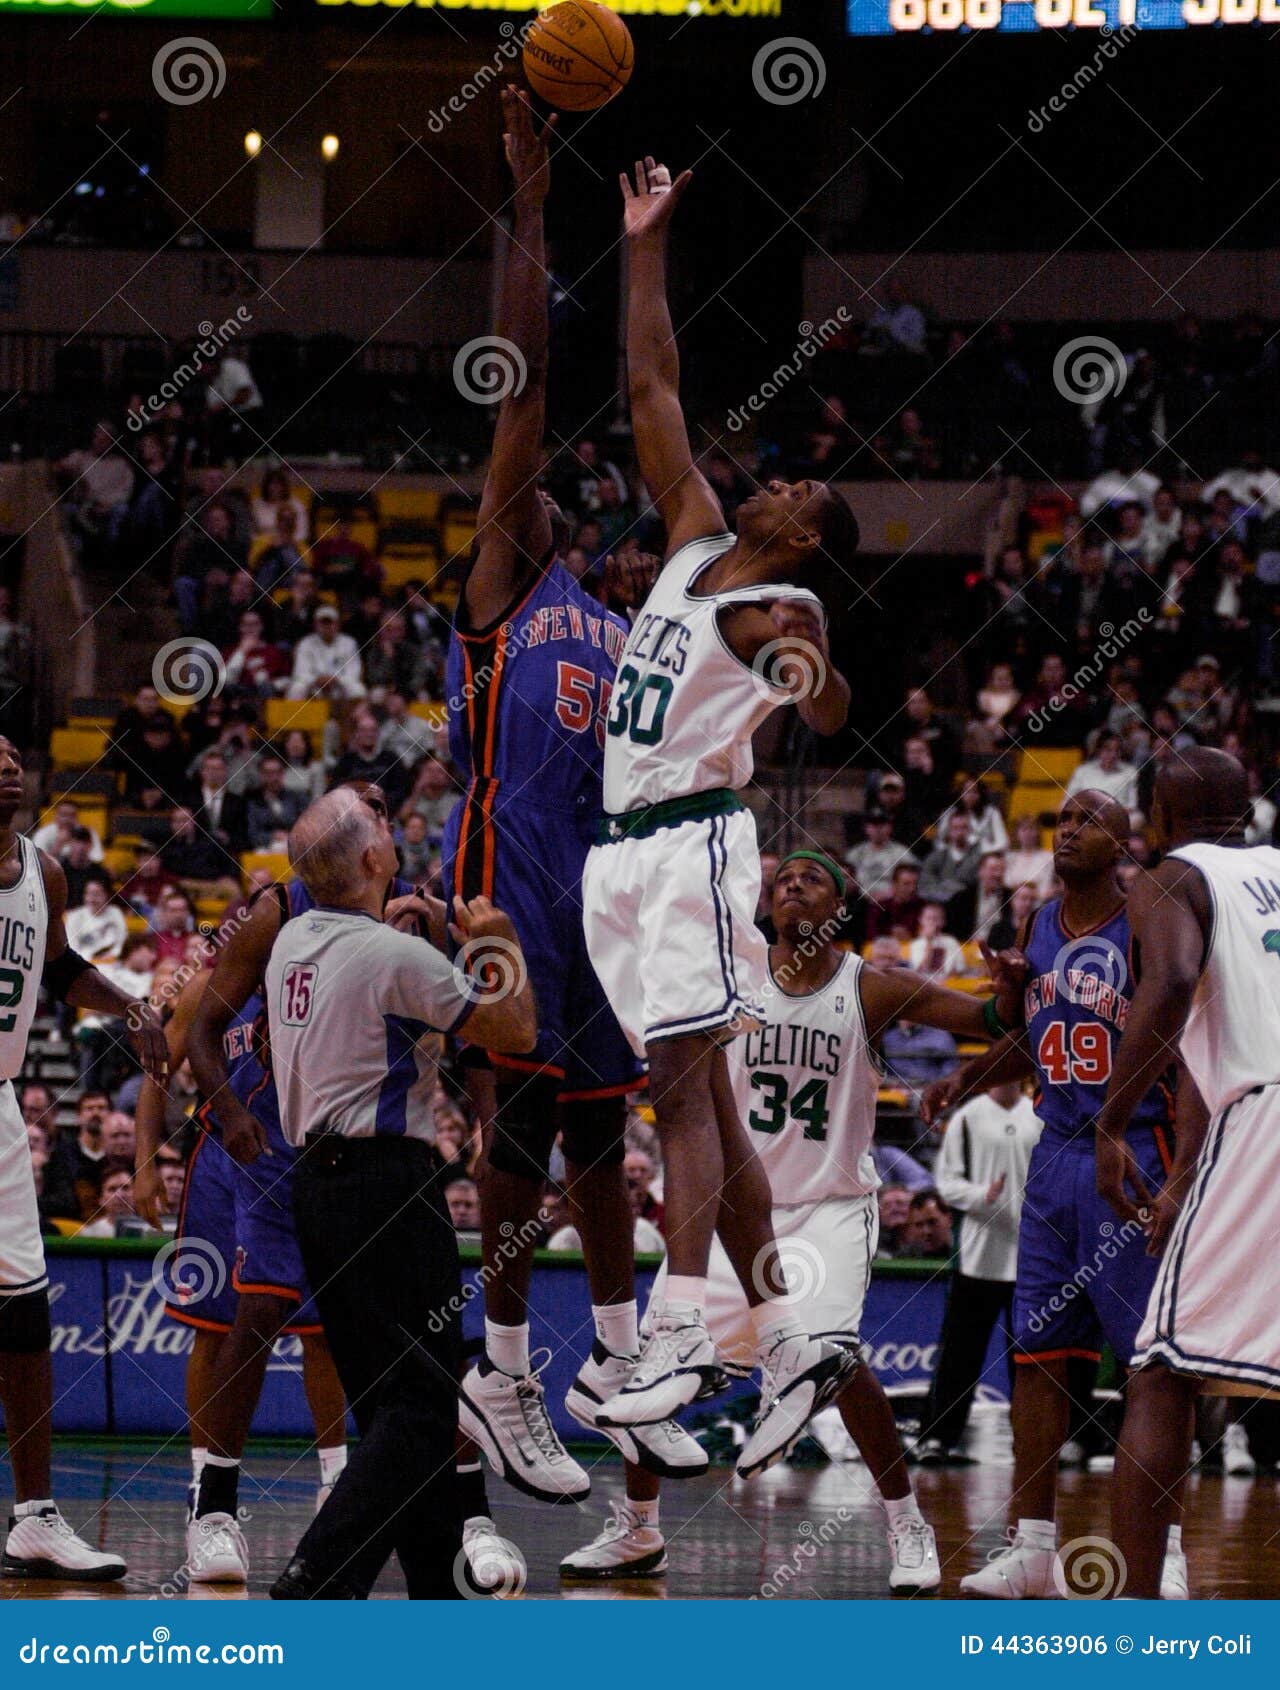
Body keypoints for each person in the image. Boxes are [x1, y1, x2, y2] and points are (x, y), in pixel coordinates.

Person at [581, 155, 862, 1467]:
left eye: (806, 492)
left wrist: (807, 668)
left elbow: (828, 703)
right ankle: (792, 1342)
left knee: (680, 1100)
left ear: (807, 539)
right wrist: (646, 241)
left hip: (696, 839)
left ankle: (681, 1335)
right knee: (711, 1111)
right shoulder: (697, 541)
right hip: (622, 860)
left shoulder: (781, 607)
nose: (784, 480)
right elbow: (652, 387)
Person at [443, 96, 700, 1509]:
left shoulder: (611, 621)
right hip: (506, 885)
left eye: (541, 492)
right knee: (523, 1137)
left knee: (606, 1146)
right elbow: (523, 393)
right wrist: (534, 208)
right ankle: (498, 1363)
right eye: (515, 488)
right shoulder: (501, 594)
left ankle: (609, 1365)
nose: (529, 491)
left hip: (600, 900)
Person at [566, 851, 1022, 1588]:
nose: (793, 885)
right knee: (658, 1359)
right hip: (734, 1214)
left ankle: (909, 1528)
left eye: (812, 878)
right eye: (782, 879)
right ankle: (639, 1531)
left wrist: (1010, 993)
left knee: (836, 1364)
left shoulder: (869, 987)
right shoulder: (728, 982)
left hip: (831, 1206)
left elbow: (992, 1019)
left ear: (841, 908)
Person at [263, 788, 536, 1600]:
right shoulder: (393, 958)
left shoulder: (290, 943)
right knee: (422, 1406)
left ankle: (437, 1594)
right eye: (381, 824)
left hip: (315, 1184)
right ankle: (316, 1575)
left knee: (390, 1407)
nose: (391, 828)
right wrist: (501, 945)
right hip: (386, 1188)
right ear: (375, 859)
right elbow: (515, 1031)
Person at [921, 789, 1186, 1600]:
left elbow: (1181, 1030)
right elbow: (1036, 1036)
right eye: (1062, 820)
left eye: (1088, 819)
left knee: (1149, 1363)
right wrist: (967, 1076)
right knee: (1036, 1353)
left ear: (1124, 840)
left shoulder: (1151, 919)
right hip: (1057, 1151)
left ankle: (1163, 1550)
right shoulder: (1039, 925)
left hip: (1136, 1147)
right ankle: (1032, 1547)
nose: (1068, 830)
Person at [1095, 749, 1280, 1599]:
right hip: (1250, 1103)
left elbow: (1168, 985)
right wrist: (1185, 1179)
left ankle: (1129, 1624)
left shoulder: (1170, 878)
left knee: (1161, 1375)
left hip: (1267, 1115)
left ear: (1156, 817)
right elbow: (1214, 1037)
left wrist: (1111, 1120)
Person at [0, 736, 167, 1582]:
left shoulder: (45, 873)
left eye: (8, 750)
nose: (5, 759)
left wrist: (130, 1008)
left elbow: (59, 967)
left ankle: (33, 1517)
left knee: (24, 1314)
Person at [915, 1083, 1041, 1462]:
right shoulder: (967, 1119)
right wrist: (981, 1196)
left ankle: (1035, 1443)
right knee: (959, 1354)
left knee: (1030, 1359)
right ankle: (937, 1437)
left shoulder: (1039, 1116)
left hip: (1031, 1259)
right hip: (978, 1257)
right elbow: (947, 1183)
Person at [287, 605, 367, 703]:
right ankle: (298, 718)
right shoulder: (306, 643)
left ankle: (353, 718)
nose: (327, 627)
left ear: (338, 624)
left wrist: (336, 680)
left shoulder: (349, 643)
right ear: (315, 625)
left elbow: (354, 671)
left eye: (330, 623)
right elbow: (300, 672)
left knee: (358, 690)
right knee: (297, 688)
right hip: (315, 687)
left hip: (339, 686)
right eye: (323, 623)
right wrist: (316, 680)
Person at [1065, 730, 1139, 812]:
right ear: (1099, 750)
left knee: (1138, 818)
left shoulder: (1130, 772)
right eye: (1108, 750)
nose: (1113, 755)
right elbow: (1067, 801)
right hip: (1086, 816)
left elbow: (1132, 805)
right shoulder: (1082, 771)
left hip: (1117, 818)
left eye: (1117, 750)